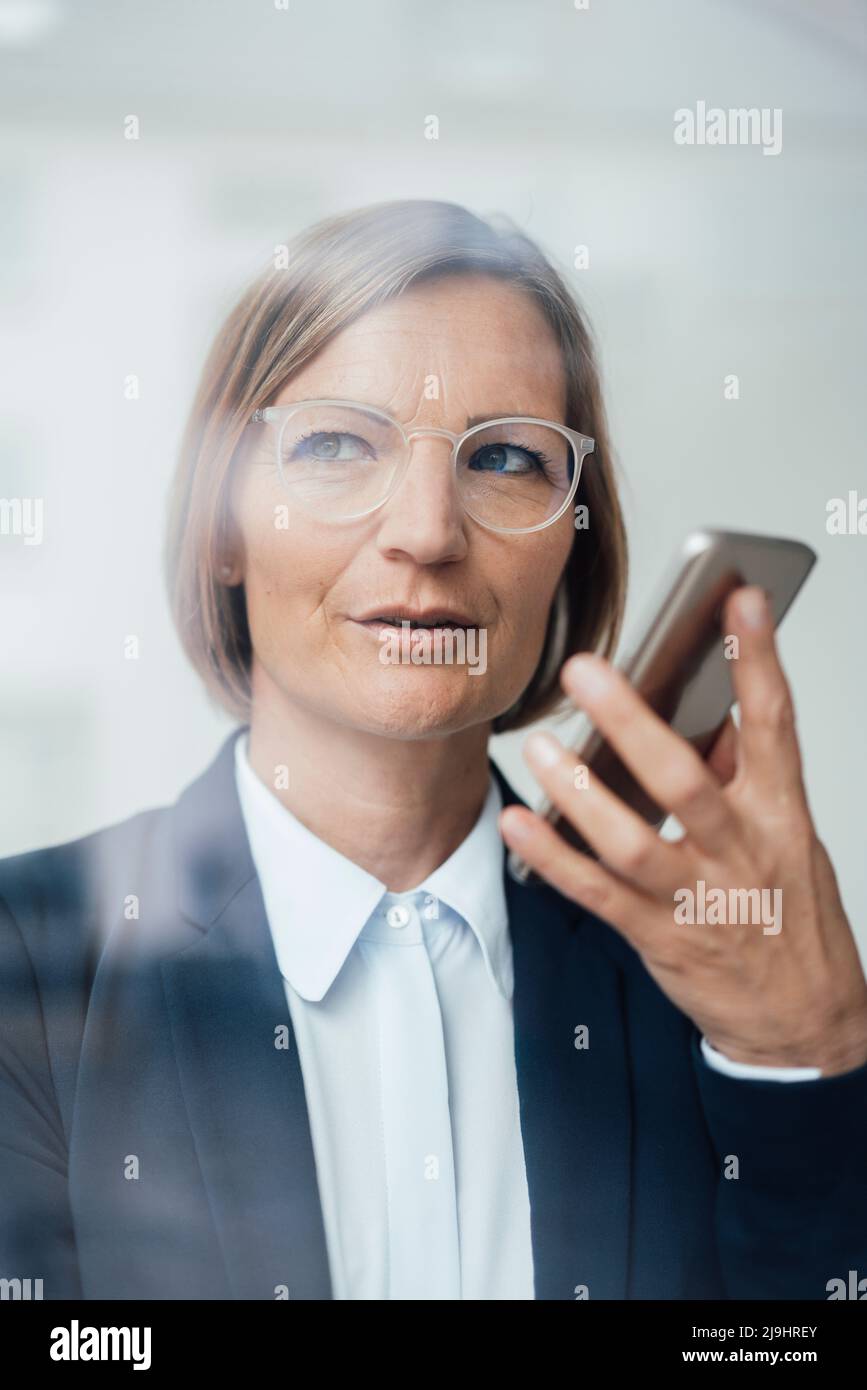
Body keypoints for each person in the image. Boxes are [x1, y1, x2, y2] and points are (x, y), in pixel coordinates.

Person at [1, 200, 865, 1301]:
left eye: (503, 457)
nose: (427, 530)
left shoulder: (707, 984)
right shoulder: (27, 964)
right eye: (335, 445)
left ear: (570, 541)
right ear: (223, 524)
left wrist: (806, 1055)